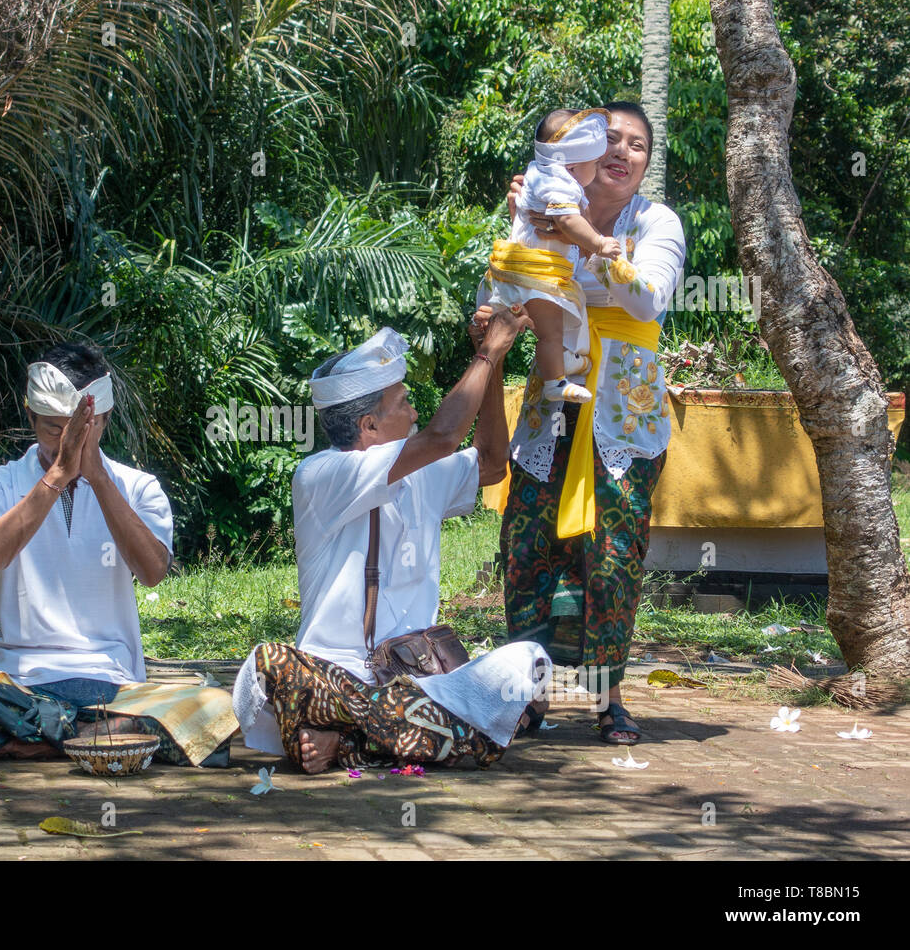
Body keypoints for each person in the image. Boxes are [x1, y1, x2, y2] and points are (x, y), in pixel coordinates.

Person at [232, 307, 551, 774]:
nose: (415, 411)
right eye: (403, 403)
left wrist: (496, 363)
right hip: (329, 681)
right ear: (369, 426)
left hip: (416, 684)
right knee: (268, 663)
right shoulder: (321, 474)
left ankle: (346, 744)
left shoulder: (424, 471)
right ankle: (416, 737)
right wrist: (486, 352)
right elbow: (443, 435)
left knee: (529, 666)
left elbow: (490, 463)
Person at [0, 343, 235, 766]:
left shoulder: (138, 487)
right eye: (52, 428)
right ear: (29, 416)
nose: (68, 441)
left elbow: (153, 571)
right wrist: (57, 476)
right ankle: (94, 735)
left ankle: (31, 739)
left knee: (215, 704)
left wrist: (96, 476)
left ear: (105, 421)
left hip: (114, 685)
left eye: (82, 429)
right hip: (19, 681)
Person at [480, 100, 687, 746]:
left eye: (638, 146)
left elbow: (647, 297)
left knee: (614, 553)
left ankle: (609, 697)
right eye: (612, 141)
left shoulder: (658, 222)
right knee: (528, 546)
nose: (624, 154)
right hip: (550, 400)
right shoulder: (542, 203)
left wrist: (581, 242)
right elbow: (506, 277)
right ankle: (528, 694)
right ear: (586, 152)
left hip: (624, 409)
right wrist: (487, 318)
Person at [476, 107, 622, 405]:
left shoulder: (539, 172)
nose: (598, 167)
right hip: (537, 274)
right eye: (594, 162)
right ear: (572, 167)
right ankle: (555, 380)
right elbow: (567, 220)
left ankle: (566, 359)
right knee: (551, 332)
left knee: (562, 313)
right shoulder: (560, 184)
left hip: (520, 268)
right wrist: (598, 243)